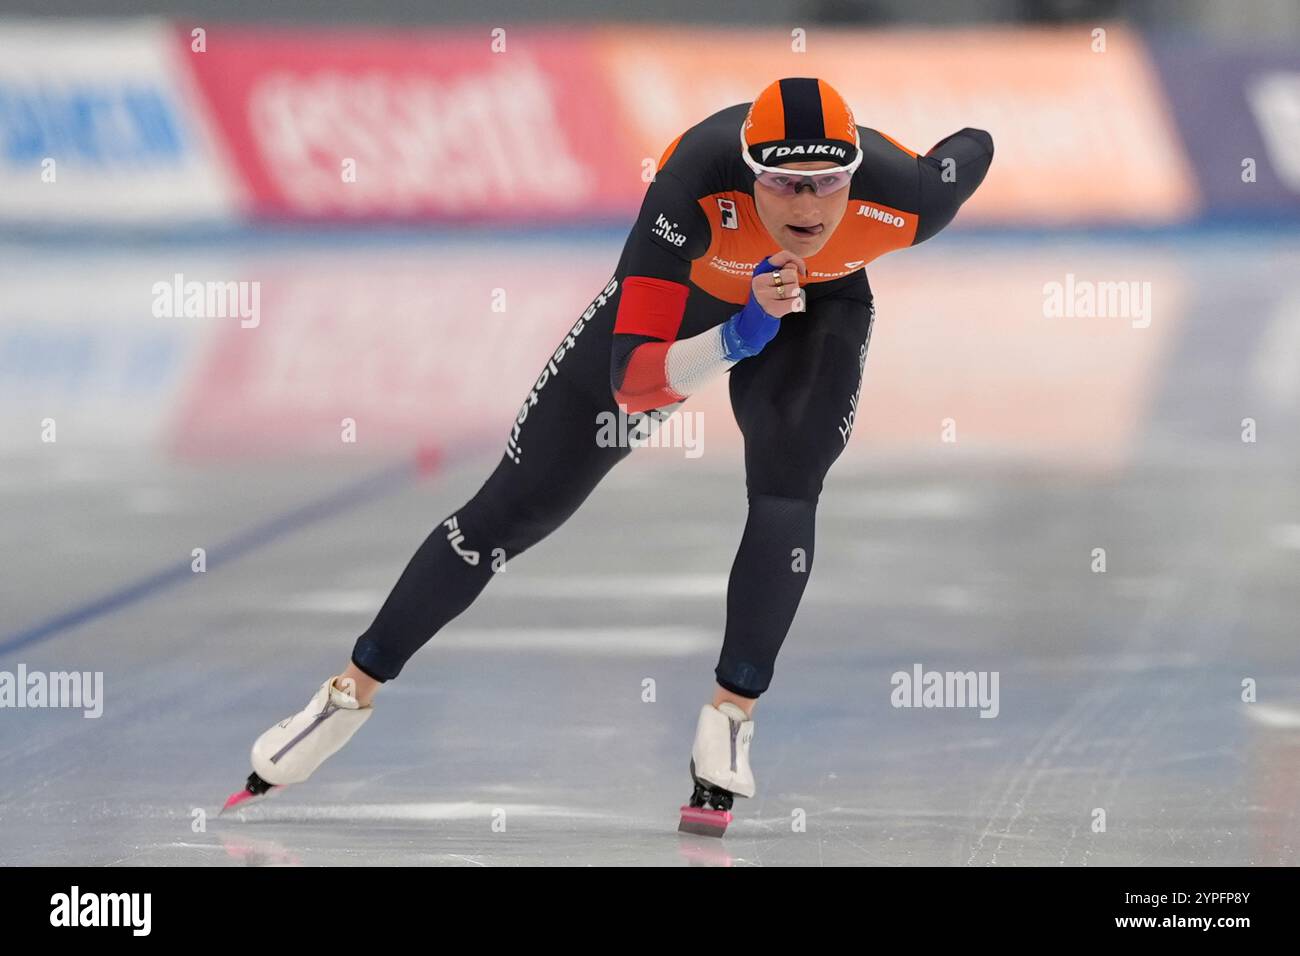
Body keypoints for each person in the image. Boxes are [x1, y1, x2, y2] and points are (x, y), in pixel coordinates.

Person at [225, 77, 994, 833]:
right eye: (783, 184)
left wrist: (772, 319)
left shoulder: (907, 198)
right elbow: (634, 385)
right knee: (515, 508)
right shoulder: (693, 182)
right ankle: (346, 694)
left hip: (817, 308)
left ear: (854, 175)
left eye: (825, 183)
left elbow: (974, 148)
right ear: (749, 174)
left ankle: (730, 716)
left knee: (788, 484)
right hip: (694, 299)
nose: (805, 206)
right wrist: (737, 336)